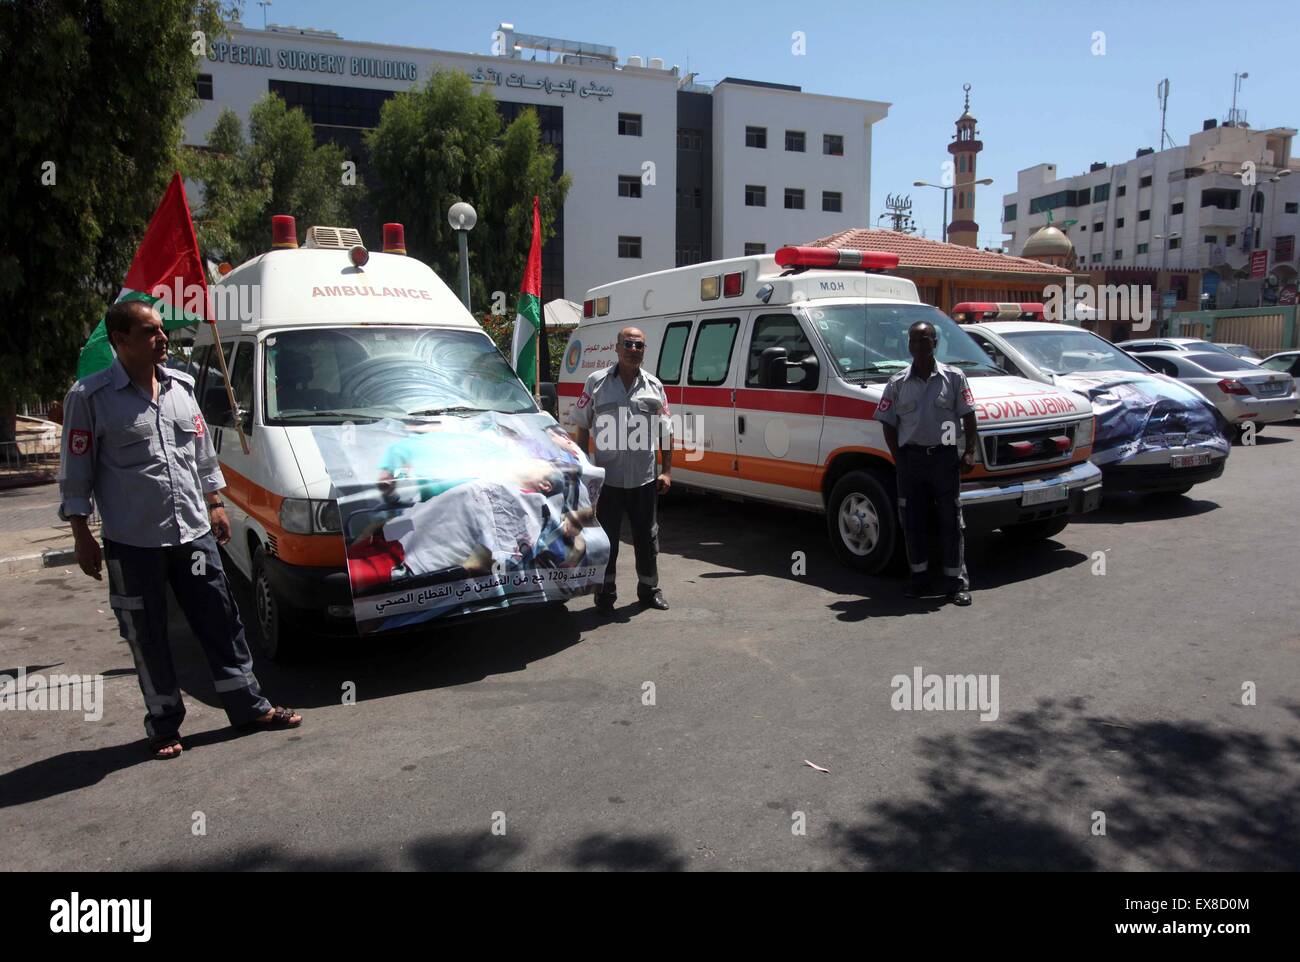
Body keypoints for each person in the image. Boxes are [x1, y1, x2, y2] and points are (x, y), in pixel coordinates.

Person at [58, 300, 301, 760]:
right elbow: (76, 472)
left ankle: (250, 708)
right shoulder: (89, 398)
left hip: (194, 534)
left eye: (161, 330)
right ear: (121, 340)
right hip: (134, 543)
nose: (163, 337)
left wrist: (215, 504)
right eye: (150, 331)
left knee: (222, 621)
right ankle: (164, 724)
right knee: (147, 635)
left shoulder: (182, 387)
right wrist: (81, 534)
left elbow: (203, 455)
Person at [874, 320, 978, 606]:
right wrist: (899, 458)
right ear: (909, 345)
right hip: (912, 462)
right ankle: (919, 578)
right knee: (913, 522)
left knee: (951, 522)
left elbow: (969, 416)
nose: (919, 345)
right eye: (914, 340)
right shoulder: (896, 383)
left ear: (935, 343)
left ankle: (956, 582)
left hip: (945, 459)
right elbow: (888, 424)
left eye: (925, 339)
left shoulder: (954, 378)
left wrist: (969, 451)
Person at [572, 325, 672, 613]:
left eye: (639, 345)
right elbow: (581, 425)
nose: (633, 350)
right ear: (616, 348)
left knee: (647, 537)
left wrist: (667, 471)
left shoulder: (655, 386)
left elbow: (666, 432)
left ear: (644, 350)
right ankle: (605, 593)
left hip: (644, 479)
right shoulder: (596, 382)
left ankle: (649, 589)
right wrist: (583, 467)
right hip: (608, 480)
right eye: (627, 344)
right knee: (607, 540)